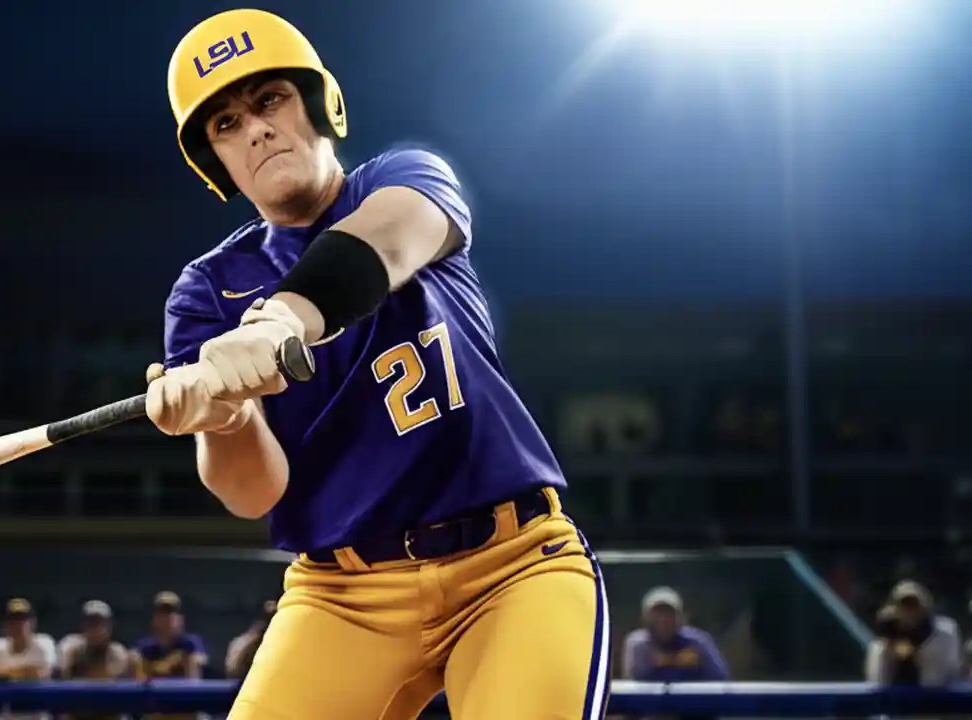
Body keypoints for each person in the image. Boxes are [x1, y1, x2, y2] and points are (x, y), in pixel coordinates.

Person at [151, 9, 609, 719]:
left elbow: (384, 246)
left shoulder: (402, 178)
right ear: (219, 164)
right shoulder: (207, 289)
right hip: (342, 594)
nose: (256, 130)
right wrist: (224, 417)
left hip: (511, 564)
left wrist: (279, 319)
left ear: (319, 102)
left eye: (269, 99)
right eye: (226, 125)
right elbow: (253, 494)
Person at [865, 580, 962, 687]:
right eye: (904, 605)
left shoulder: (940, 632)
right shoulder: (888, 628)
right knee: (877, 649)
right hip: (896, 688)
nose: (909, 610)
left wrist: (914, 651)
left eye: (914, 605)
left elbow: (938, 674)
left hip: (934, 690)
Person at [621, 587, 729, 683]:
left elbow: (720, 677)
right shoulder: (638, 644)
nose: (663, 619)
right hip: (650, 703)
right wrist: (671, 661)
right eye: (657, 613)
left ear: (680, 617)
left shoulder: (698, 641)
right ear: (646, 618)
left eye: (669, 613)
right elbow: (634, 680)